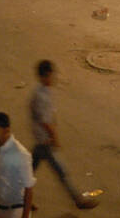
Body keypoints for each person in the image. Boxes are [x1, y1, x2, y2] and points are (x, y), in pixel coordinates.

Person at [29, 60, 98, 210]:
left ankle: (21, 198)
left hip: (42, 141)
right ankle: (78, 200)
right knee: (61, 171)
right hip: (44, 141)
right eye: (52, 75)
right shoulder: (41, 96)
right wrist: (54, 137)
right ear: (45, 75)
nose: (54, 78)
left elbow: (48, 115)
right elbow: (45, 122)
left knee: (29, 172)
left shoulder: (43, 91)